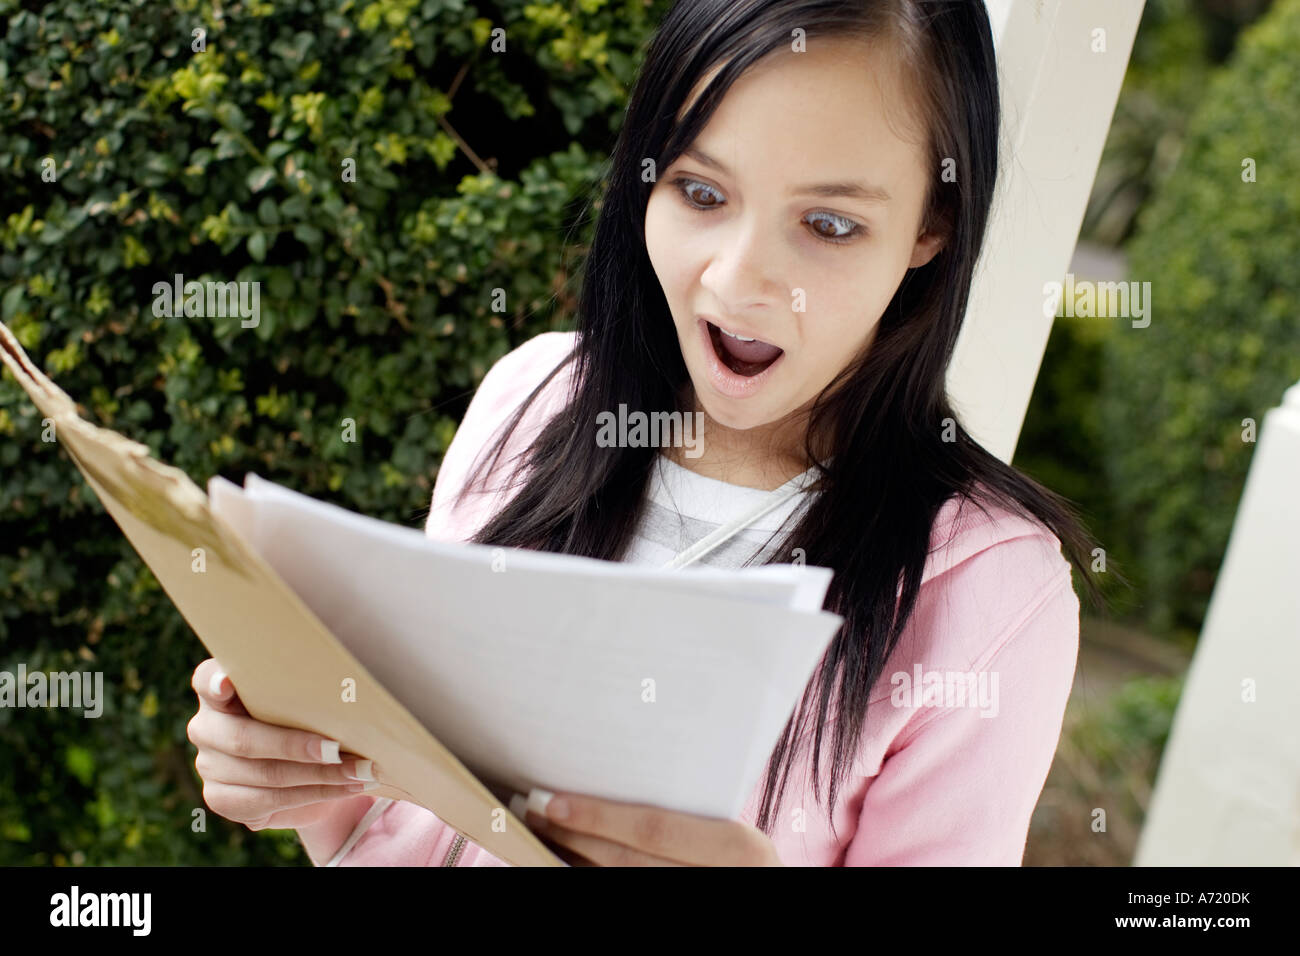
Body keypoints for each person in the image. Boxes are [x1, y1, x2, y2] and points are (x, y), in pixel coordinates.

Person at [188, 0, 1103, 866]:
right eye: (701, 192)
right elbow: (407, 829)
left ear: (931, 227)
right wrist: (302, 772)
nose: (739, 281)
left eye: (829, 224)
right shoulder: (535, 398)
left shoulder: (990, 591)